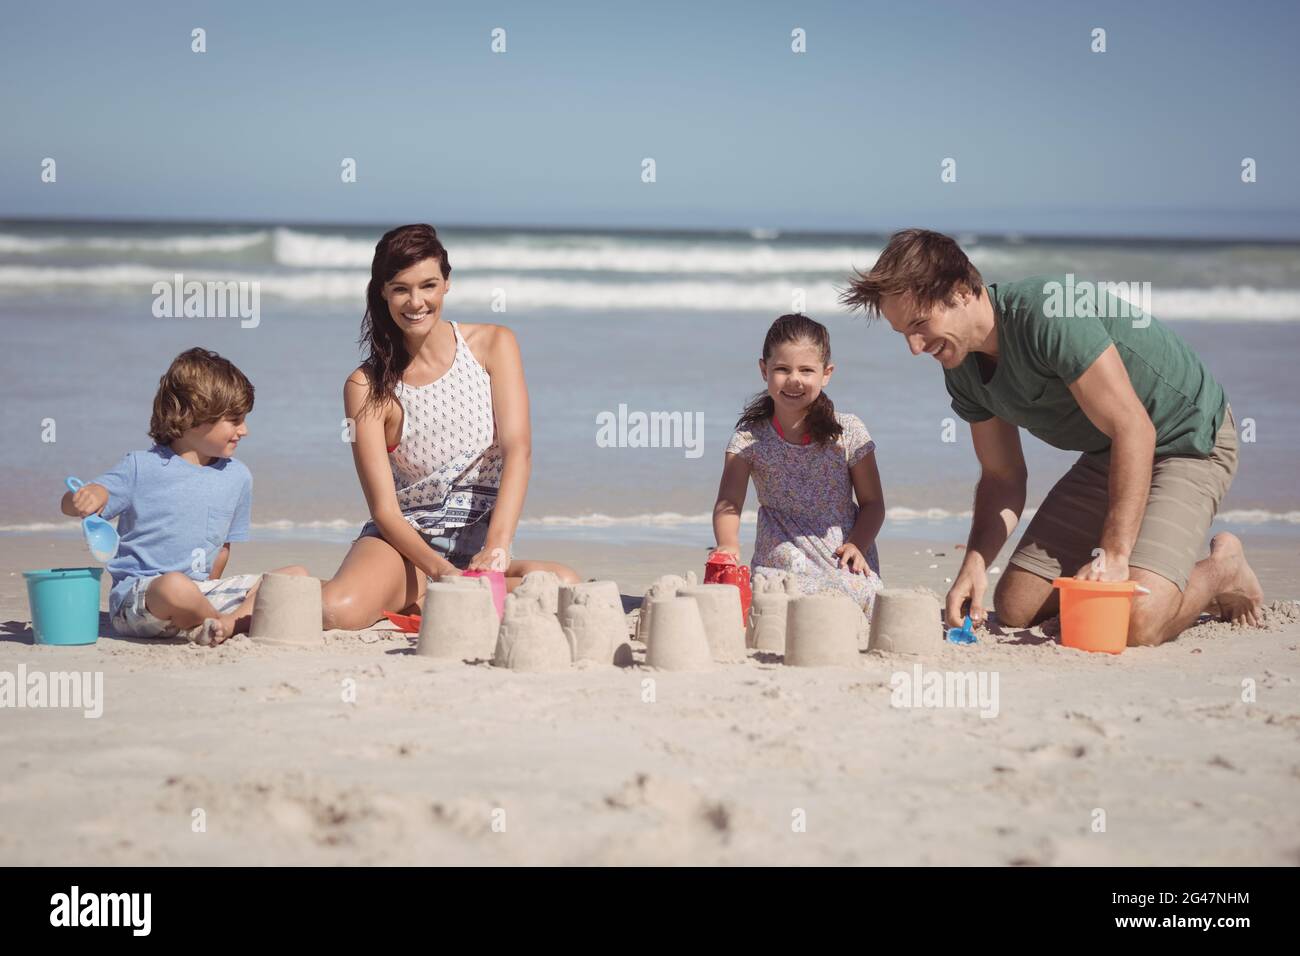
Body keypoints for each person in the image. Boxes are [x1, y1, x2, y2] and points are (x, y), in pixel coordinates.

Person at [841, 228, 1262, 645]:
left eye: (919, 324)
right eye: (903, 334)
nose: (915, 347)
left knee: (1134, 622)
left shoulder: (1050, 312)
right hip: (1109, 451)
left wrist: (1113, 556)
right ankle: (1139, 565)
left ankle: (1223, 568)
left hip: (1186, 439)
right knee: (1016, 606)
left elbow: (1135, 428)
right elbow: (1002, 475)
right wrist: (975, 563)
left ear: (961, 291)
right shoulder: (961, 369)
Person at [322, 224, 578, 631]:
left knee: (565, 586)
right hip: (402, 548)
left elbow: (518, 451)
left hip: (477, 545)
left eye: (428, 285)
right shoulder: (366, 386)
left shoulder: (495, 345)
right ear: (383, 292)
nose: (416, 301)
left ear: (447, 284)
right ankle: (416, 593)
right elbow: (385, 510)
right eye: (401, 289)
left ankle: (426, 600)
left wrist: (496, 547)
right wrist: (443, 574)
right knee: (338, 611)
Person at [60, 347, 307, 646]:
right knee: (175, 587)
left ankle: (221, 624)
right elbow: (84, 501)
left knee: (294, 577)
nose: (245, 430)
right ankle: (217, 622)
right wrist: (84, 497)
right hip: (141, 600)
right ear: (192, 415)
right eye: (235, 419)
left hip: (199, 593)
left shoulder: (238, 476)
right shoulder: (142, 466)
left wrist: (207, 591)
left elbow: (222, 549)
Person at [711, 313, 885, 613]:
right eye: (782, 369)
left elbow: (873, 503)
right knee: (782, 595)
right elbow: (729, 503)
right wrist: (728, 545)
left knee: (858, 599)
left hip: (841, 547)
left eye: (807, 370)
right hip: (781, 547)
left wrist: (858, 544)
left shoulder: (849, 432)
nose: (794, 379)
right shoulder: (748, 440)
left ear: (826, 373)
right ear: (763, 370)